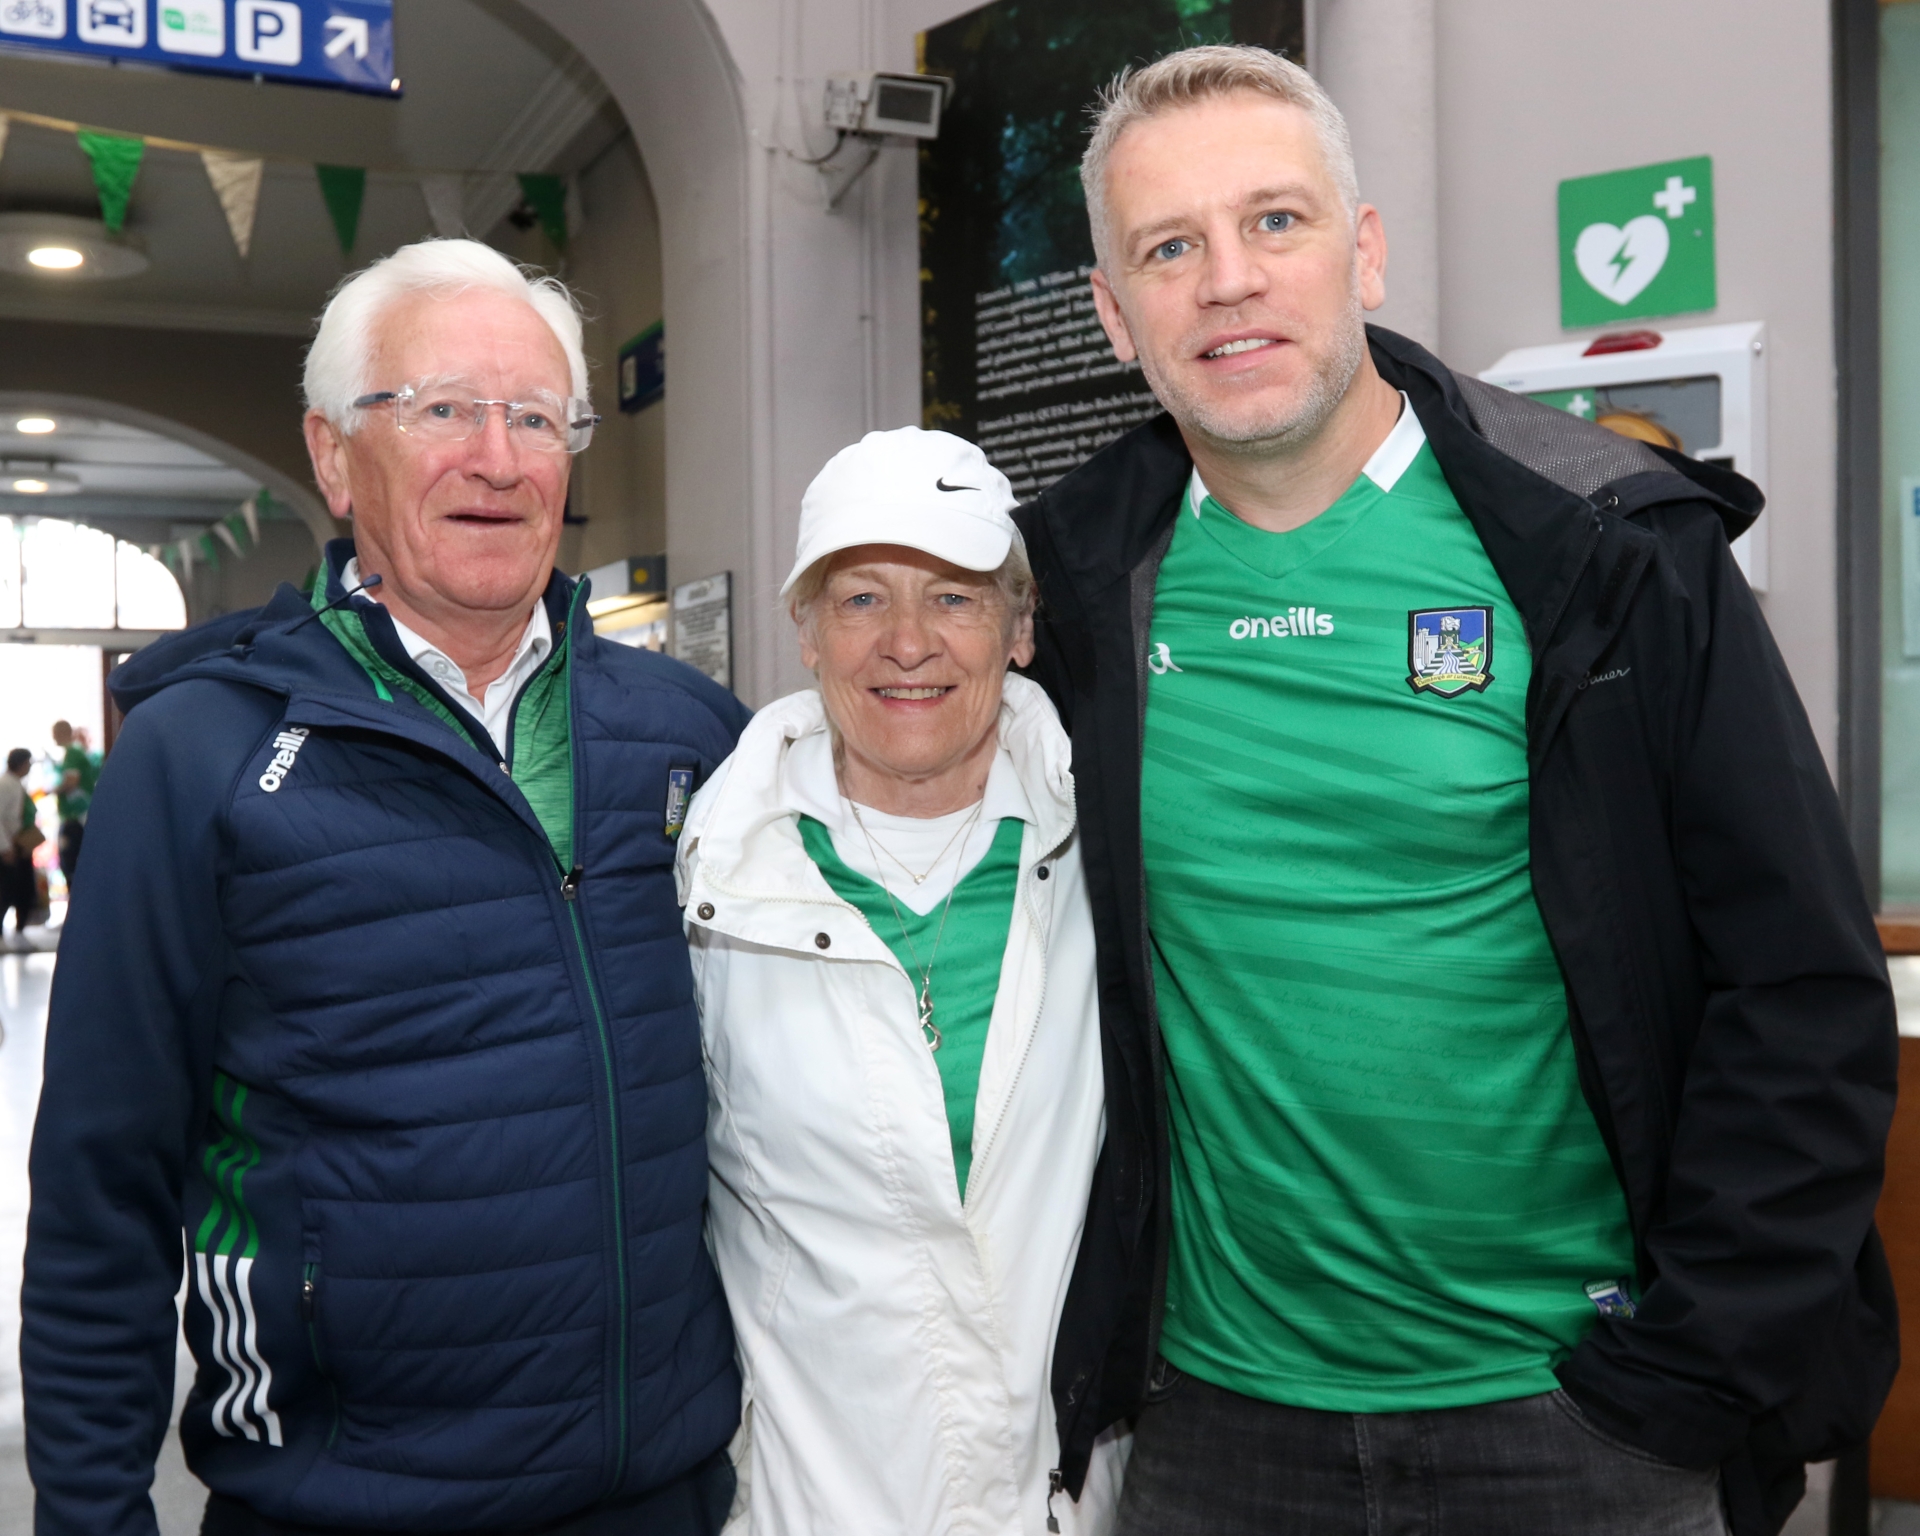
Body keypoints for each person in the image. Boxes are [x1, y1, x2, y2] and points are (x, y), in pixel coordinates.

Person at [1013, 45, 1899, 1536]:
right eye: (1171, 248)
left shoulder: (1610, 551)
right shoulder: (1074, 590)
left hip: (1579, 1423)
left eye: (1276, 222)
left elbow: (1801, 983)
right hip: (1218, 1431)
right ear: (1115, 313)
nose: (1229, 280)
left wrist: (1686, 1370)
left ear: (1363, 251)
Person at [23, 238, 749, 1536]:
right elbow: (101, 1191)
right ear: (331, 453)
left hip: (665, 1495)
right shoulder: (204, 756)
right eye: (441, 410)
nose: (496, 455)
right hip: (343, 1501)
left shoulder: (691, 734)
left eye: (534, 416)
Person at [679, 427, 1124, 1534]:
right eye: (861, 600)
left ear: (1021, 629)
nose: (908, 643)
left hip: (1070, 1500)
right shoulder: (705, 886)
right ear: (806, 633)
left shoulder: (1111, 851)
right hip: (811, 1494)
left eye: (956, 599)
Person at [48, 719, 96, 895]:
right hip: (73, 814)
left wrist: (52, 790)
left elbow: (71, 782)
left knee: (70, 861)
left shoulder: (73, 753)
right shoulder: (71, 754)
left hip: (77, 815)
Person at [0, 748, 37, 950]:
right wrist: (5, 847)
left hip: (20, 844)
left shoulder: (16, 784)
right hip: (9, 846)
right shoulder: (5, 785)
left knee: (24, 891)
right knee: (8, 891)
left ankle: (20, 930)